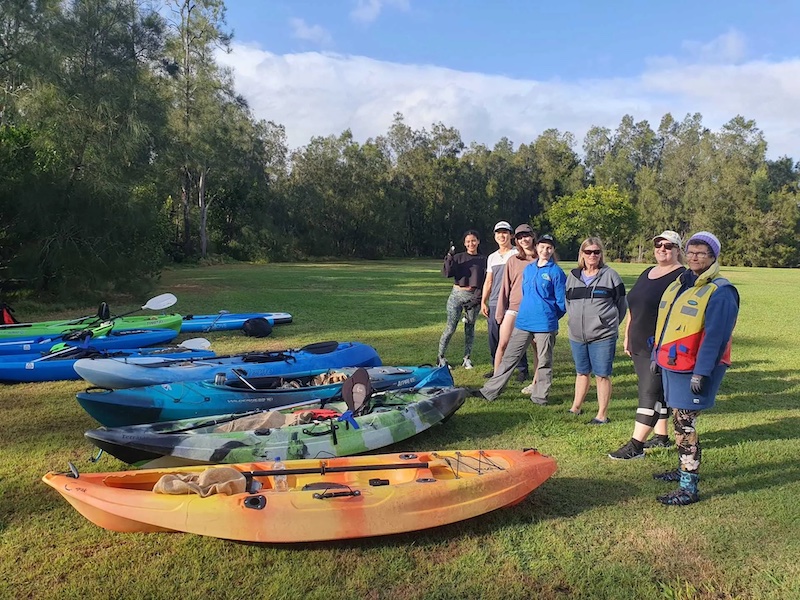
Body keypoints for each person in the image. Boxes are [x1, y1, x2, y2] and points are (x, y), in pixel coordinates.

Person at [651, 232, 739, 505]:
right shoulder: (681, 284)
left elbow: (716, 337)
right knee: (679, 421)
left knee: (685, 424)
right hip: (673, 364)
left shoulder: (721, 291)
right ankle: (682, 469)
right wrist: (657, 355)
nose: (694, 257)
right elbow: (667, 325)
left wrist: (702, 371)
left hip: (694, 369)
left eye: (701, 252)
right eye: (691, 251)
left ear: (713, 256)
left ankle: (688, 487)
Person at [608, 231, 686, 460]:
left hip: (661, 345)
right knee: (656, 389)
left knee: (648, 392)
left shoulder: (682, 276)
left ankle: (636, 445)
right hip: (638, 341)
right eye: (658, 244)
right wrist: (627, 335)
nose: (662, 249)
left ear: (677, 250)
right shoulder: (647, 272)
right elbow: (634, 306)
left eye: (668, 246)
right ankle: (661, 436)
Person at [477, 233, 566, 404]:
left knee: (544, 362)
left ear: (553, 250)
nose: (545, 250)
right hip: (524, 321)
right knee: (509, 357)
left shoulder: (556, 272)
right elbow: (525, 293)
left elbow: (562, 303)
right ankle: (490, 391)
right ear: (537, 247)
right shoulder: (530, 269)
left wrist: (549, 315)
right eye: (542, 246)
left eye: (549, 247)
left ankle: (540, 396)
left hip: (545, 324)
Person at [565, 237, 627, 424]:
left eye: (596, 252)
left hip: (603, 335)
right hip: (577, 334)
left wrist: (607, 324)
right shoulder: (573, 276)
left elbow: (622, 305)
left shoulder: (611, 276)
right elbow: (568, 302)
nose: (592, 255)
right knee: (581, 372)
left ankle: (602, 414)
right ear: (582, 254)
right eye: (588, 252)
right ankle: (576, 407)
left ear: (601, 255)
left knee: (602, 374)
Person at [437, 230, 487, 369]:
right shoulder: (458, 257)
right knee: (450, 328)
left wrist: (477, 299)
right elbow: (447, 273)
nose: (471, 243)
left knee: (469, 329)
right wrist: (449, 257)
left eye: (473, 240)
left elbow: (485, 281)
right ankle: (440, 357)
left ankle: (467, 358)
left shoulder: (483, 260)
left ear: (478, 241)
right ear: (464, 243)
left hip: (474, 297)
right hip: (457, 295)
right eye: (468, 241)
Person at [493, 224, 536, 381]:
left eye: (526, 236)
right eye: (519, 237)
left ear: (532, 236)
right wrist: (500, 313)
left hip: (535, 311)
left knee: (537, 348)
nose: (523, 239)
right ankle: (496, 381)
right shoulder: (513, 260)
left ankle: (536, 382)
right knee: (503, 344)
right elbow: (505, 288)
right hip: (514, 308)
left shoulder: (542, 259)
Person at [479, 221, 520, 379]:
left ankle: (522, 369)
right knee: (494, 336)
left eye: (505, 232)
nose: (501, 236)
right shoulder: (492, 257)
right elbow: (488, 281)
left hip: (513, 302)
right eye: (498, 233)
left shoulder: (517, 254)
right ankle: (496, 368)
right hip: (496, 302)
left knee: (516, 336)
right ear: (494, 236)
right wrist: (484, 301)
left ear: (510, 235)